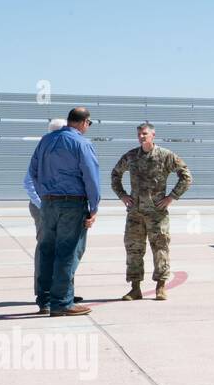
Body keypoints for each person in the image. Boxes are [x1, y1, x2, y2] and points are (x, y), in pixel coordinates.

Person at [27, 107, 100, 316]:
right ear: (84, 122)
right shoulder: (81, 143)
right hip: (72, 203)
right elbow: (91, 178)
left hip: (48, 204)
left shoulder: (46, 141)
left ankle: (45, 300)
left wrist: (46, 196)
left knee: (46, 249)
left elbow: (33, 172)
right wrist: (93, 207)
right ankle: (63, 303)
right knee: (67, 251)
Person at [111, 122, 193, 301]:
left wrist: (171, 197)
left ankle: (161, 286)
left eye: (145, 133)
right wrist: (123, 195)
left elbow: (186, 177)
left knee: (160, 248)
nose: (142, 136)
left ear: (153, 135)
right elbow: (115, 174)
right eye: (139, 134)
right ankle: (135, 288)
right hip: (135, 213)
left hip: (157, 213)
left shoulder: (165, 156)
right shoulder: (131, 156)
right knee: (134, 249)